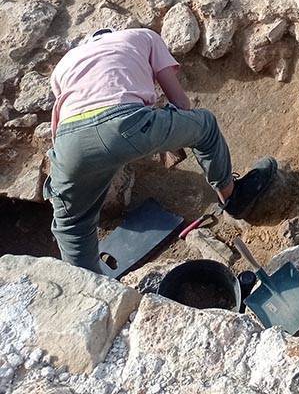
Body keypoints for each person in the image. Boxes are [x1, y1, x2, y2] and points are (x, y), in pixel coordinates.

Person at [44, 28, 276, 272]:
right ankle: (232, 197)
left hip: (69, 143)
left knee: (72, 226)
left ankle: (89, 290)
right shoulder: (142, 36)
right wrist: (172, 131)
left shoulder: (66, 62)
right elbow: (181, 103)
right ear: (114, 33)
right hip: (126, 123)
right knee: (205, 126)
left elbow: (71, 120)